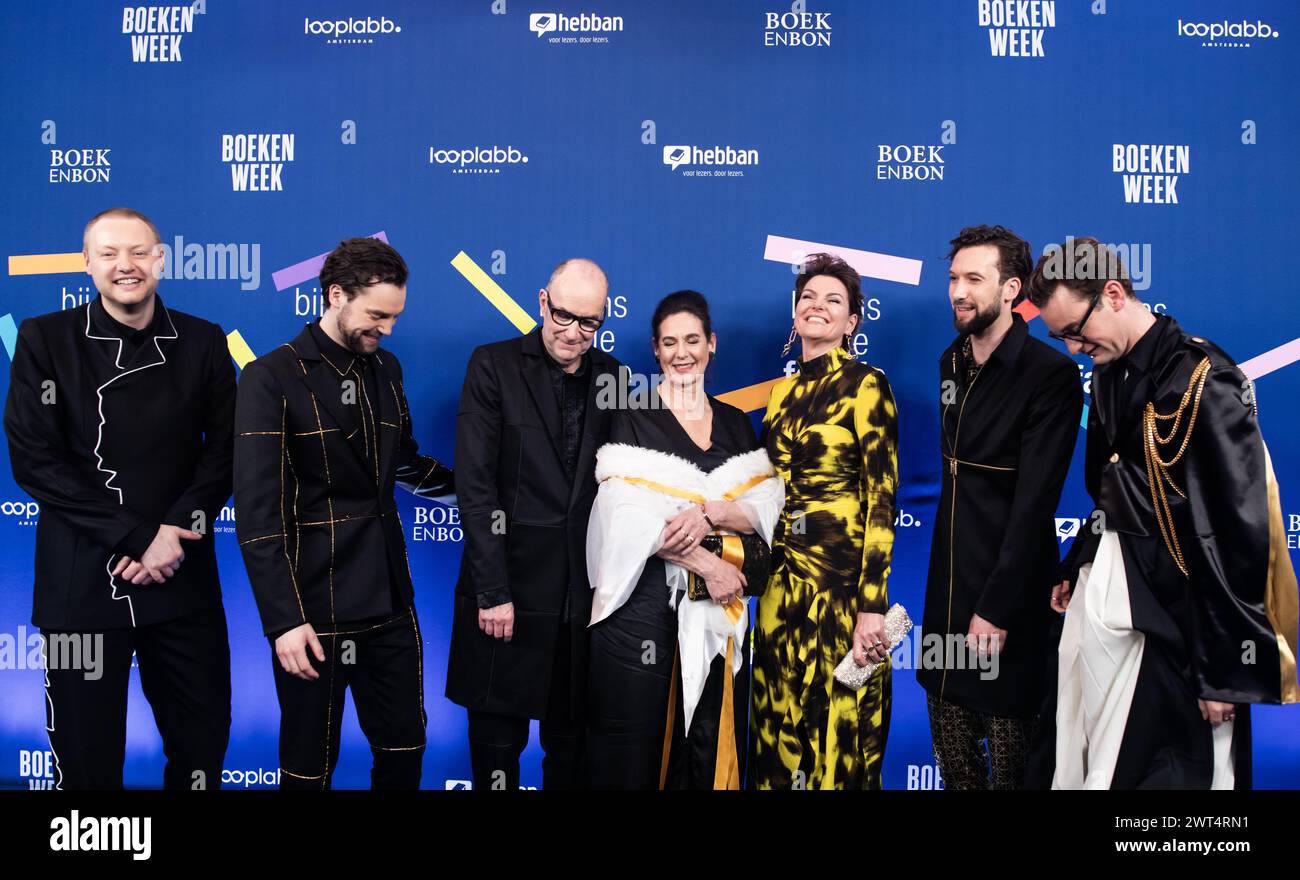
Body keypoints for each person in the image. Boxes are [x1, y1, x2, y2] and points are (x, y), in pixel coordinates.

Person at [1028, 236, 1298, 789]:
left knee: (1178, 775)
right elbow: (1113, 490)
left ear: (1113, 294)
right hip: (1118, 606)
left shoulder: (1205, 377)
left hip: (1182, 623)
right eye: (1060, 338)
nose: (1074, 347)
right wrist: (1079, 562)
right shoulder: (1108, 373)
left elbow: (1237, 530)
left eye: (1075, 329)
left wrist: (1223, 672)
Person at [4, 207, 234, 790]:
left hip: (181, 576)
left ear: (161, 260)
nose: (124, 265)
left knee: (202, 746)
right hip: (81, 585)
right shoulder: (44, 339)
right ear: (87, 264)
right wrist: (137, 538)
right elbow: (35, 460)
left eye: (138, 252)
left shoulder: (204, 340)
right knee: (85, 761)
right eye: (108, 254)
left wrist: (172, 534)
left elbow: (227, 451)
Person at [234, 237, 453, 790]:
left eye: (395, 316)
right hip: (313, 610)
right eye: (377, 315)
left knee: (405, 752)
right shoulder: (271, 376)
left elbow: (403, 463)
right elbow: (258, 516)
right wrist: (284, 621)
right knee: (308, 769)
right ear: (336, 295)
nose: (388, 328)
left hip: (391, 602)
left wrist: (479, 496)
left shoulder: (387, 368)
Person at [585, 290, 783, 789]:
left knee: (708, 738)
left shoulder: (736, 424)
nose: (682, 353)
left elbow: (765, 507)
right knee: (645, 741)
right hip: (645, 609)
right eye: (669, 342)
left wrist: (712, 512)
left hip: (719, 610)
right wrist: (710, 566)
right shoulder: (632, 416)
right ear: (655, 350)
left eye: (692, 340)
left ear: (711, 343)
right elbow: (625, 517)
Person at [446, 258, 623, 790]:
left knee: (570, 756)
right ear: (543, 302)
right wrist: (491, 592)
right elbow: (476, 486)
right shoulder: (493, 365)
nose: (573, 332)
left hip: (578, 606)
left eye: (588, 322)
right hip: (507, 599)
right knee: (496, 754)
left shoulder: (614, 377)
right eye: (564, 315)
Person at [917, 225, 1082, 789]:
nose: (958, 292)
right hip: (946, 593)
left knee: (1013, 772)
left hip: (1009, 601)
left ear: (1011, 289)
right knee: (957, 769)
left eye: (974, 279)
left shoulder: (1050, 375)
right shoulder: (950, 361)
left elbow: (1036, 503)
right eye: (953, 279)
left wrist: (997, 607)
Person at [752, 252, 900, 789]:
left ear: (851, 321)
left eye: (833, 300)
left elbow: (882, 499)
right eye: (808, 297)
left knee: (839, 739)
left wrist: (871, 607)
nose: (817, 306)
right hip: (779, 591)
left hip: (841, 594)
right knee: (776, 731)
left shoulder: (867, 385)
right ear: (795, 312)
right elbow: (767, 493)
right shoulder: (781, 395)